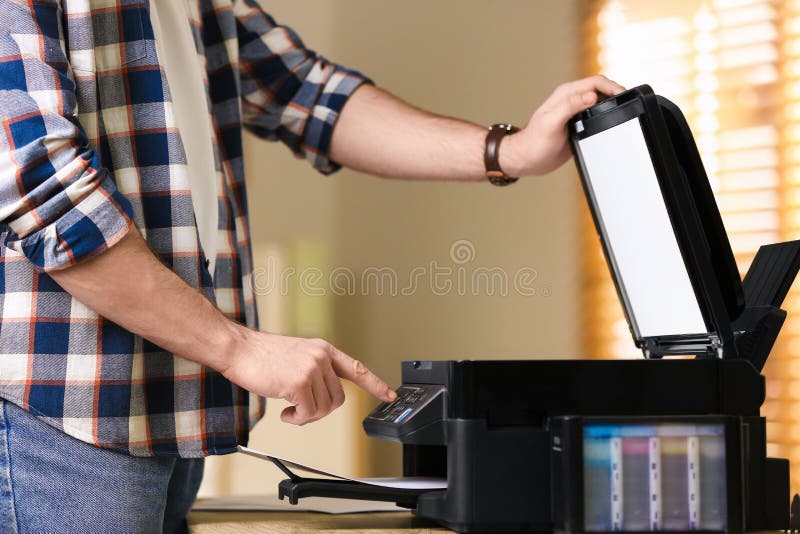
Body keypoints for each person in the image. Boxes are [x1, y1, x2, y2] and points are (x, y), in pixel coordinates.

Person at [0, 0, 624, 531]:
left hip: (174, 407)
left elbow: (304, 90)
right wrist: (237, 347)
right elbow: (42, 193)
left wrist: (508, 151)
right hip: (64, 418)